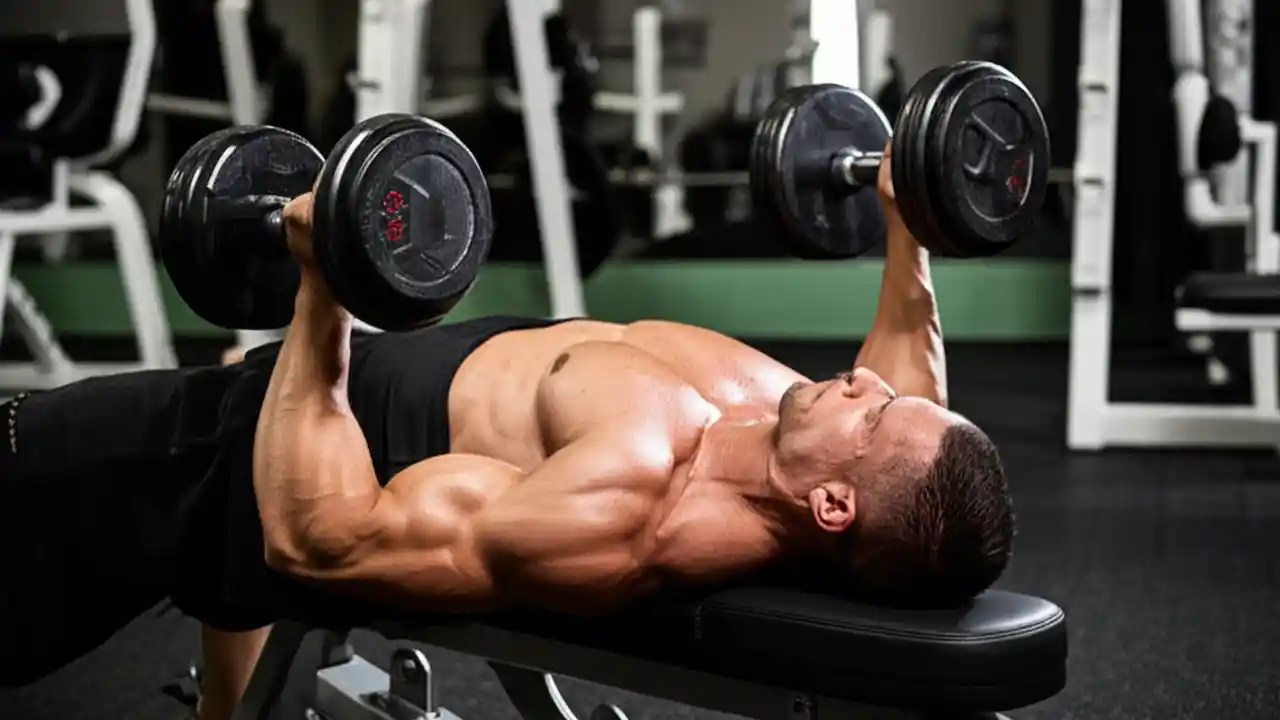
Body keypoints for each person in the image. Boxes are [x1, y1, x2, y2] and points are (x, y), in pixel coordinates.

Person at [0, 144, 1013, 719]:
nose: (856, 382)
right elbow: (906, 384)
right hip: (281, 395)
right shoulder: (789, 427)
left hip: (224, 460)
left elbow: (314, 538)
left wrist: (320, 284)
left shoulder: (627, 508)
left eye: (870, 413)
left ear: (832, 503)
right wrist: (906, 221)